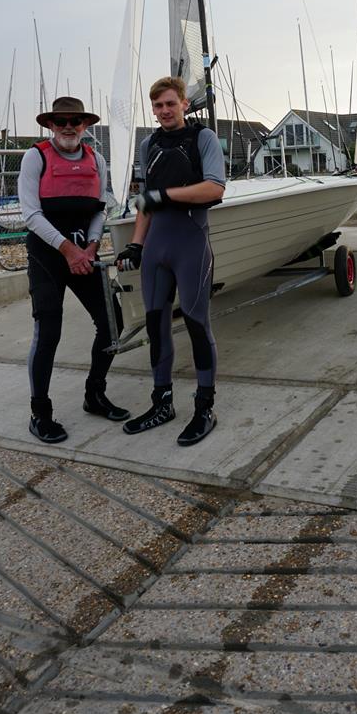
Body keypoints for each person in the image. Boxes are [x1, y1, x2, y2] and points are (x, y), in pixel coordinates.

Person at [117, 76, 226, 446]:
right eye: (158, 106)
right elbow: (147, 200)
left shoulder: (202, 138)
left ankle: (204, 407)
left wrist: (164, 195)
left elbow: (214, 187)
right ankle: (162, 403)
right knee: (156, 327)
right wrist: (135, 244)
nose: (164, 111)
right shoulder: (148, 144)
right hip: (155, 249)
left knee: (197, 325)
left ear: (183, 104)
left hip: (190, 243)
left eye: (170, 104)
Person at [18, 96, 129, 443]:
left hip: (84, 252)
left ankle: (94, 394)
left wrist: (91, 247)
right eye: (61, 120)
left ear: (85, 125)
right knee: (48, 332)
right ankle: (41, 413)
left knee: (113, 323)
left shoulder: (96, 159)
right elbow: (30, 215)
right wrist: (67, 250)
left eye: (75, 121)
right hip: (48, 256)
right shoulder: (35, 157)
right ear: (50, 124)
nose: (68, 126)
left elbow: (99, 209)